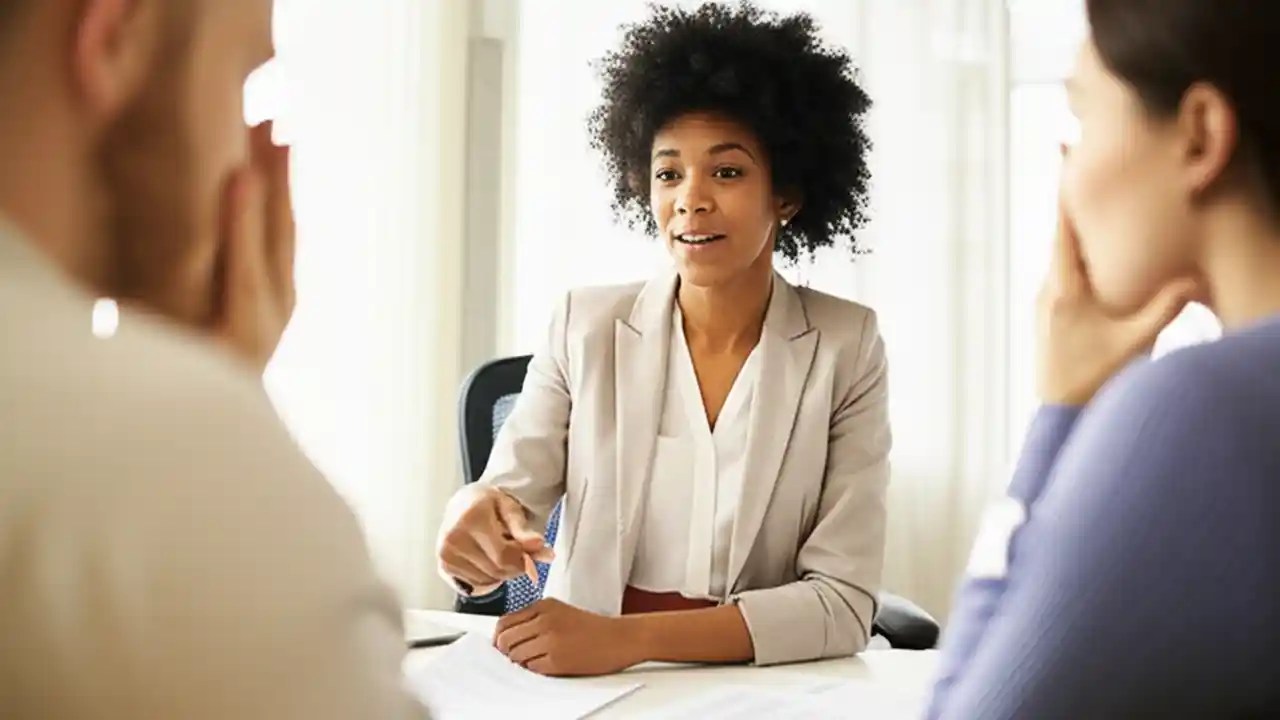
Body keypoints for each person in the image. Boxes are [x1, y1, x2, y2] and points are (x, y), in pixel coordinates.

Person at [437, 2, 889, 677]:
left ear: (787, 193)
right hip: (587, 682)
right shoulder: (583, 326)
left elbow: (843, 604)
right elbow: (507, 496)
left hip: (758, 679)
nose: (691, 200)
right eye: (669, 172)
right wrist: (472, 521)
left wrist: (632, 638)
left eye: (727, 172)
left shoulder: (845, 344)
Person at [0, 0, 424, 717]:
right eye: (239, 79)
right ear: (115, 39)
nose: (245, 144)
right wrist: (215, 399)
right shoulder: (172, 475)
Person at [927, 1, 1280, 717]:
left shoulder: (1205, 411)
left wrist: (1061, 410)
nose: (1069, 169)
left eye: (1082, 119)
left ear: (1199, 135)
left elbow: (964, 709)